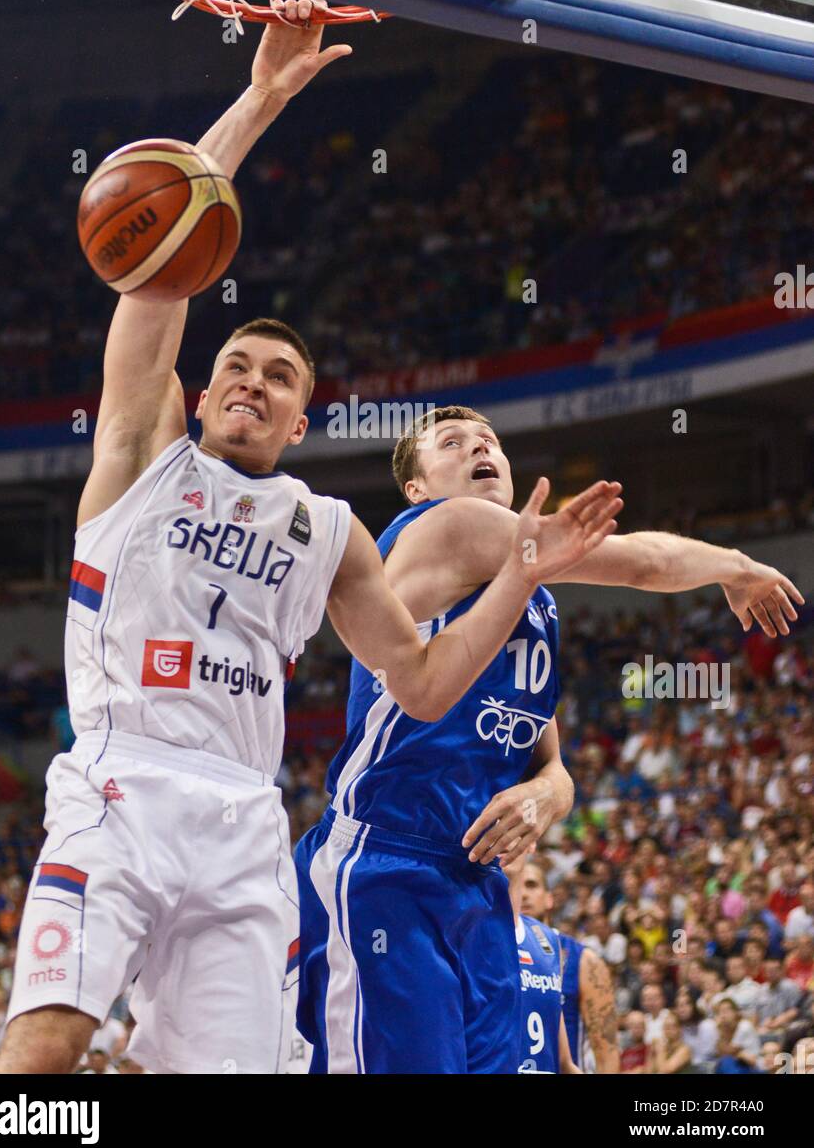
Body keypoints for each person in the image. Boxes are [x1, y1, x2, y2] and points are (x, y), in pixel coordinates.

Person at [0, 4, 610, 1078]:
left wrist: (516, 574)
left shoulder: (329, 531)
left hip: (243, 822)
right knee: (45, 1053)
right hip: (119, 785)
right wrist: (262, 99)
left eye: (278, 378)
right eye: (235, 365)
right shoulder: (143, 450)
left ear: (300, 420)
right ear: (202, 389)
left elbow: (421, 681)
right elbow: (155, 253)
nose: (251, 382)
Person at [297, 403, 801, 1073]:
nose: (479, 446)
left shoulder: (531, 600)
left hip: (475, 885)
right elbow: (642, 564)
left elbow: (553, 767)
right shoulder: (449, 524)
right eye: (451, 442)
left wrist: (541, 797)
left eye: (489, 440)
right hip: (388, 862)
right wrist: (736, 565)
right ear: (417, 487)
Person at [519, 858, 620, 1072]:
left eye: (531, 885)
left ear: (549, 899)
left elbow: (607, 1051)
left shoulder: (583, 959)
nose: (523, 894)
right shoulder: (494, 953)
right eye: (515, 885)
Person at [506, 853, 579, 1075]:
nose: (526, 894)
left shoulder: (548, 939)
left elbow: (565, 1063)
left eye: (533, 885)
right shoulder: (475, 928)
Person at [647, 1010, 693, 1074]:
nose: (667, 1030)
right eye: (665, 1026)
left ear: (679, 1029)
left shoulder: (685, 1049)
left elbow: (664, 1071)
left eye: (671, 1026)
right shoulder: (664, 1048)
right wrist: (651, 1054)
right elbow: (648, 1071)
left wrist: (660, 1051)